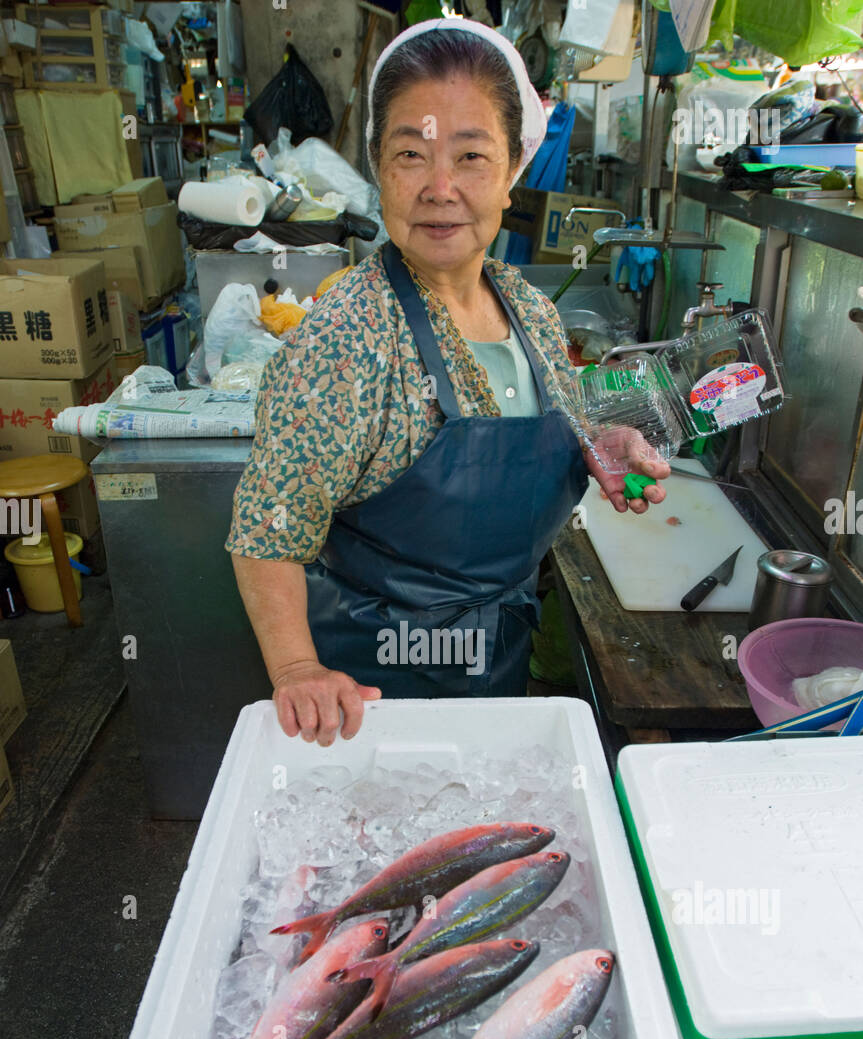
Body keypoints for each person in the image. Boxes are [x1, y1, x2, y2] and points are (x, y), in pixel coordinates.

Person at [227, 17, 668, 748]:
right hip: (373, 690)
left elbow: (541, 421)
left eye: (470, 155)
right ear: (377, 164)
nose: (439, 187)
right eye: (411, 153)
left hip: (497, 655)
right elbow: (268, 529)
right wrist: (297, 668)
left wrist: (595, 443)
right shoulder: (347, 336)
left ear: (511, 171)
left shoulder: (525, 305)